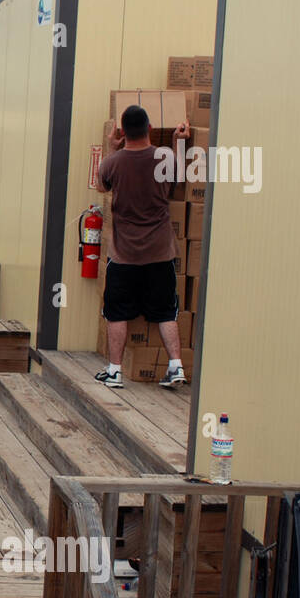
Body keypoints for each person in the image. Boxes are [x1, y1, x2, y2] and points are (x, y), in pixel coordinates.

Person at [97, 105, 190, 388]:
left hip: (124, 254)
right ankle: (176, 366)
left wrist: (111, 148)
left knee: (117, 311)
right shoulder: (165, 158)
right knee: (165, 310)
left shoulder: (113, 163)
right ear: (149, 128)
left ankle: (114, 371)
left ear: (123, 132)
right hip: (160, 252)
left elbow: (101, 187)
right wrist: (179, 141)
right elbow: (181, 177)